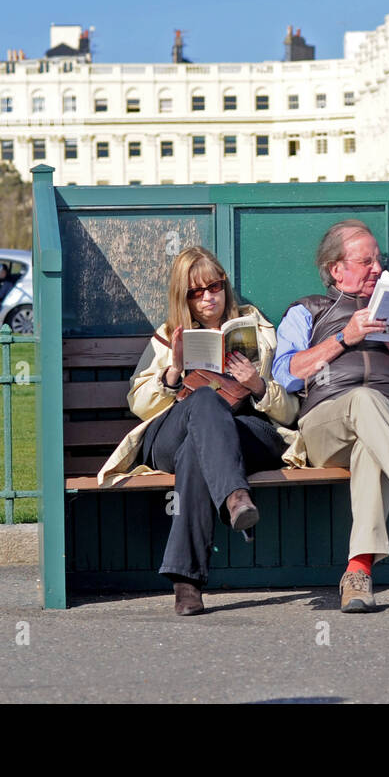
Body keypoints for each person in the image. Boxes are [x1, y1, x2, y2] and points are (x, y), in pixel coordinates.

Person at [100, 246, 298, 615]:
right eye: (197, 291)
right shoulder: (167, 336)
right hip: (170, 436)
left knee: (198, 449)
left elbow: (289, 413)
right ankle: (236, 498)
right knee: (205, 403)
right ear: (183, 297)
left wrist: (257, 385)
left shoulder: (257, 329)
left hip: (246, 431)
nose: (209, 297)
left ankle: (186, 583)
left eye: (215, 286)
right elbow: (138, 403)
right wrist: (173, 372)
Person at [273, 219, 389, 613]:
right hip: (328, 423)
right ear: (336, 269)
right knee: (362, 398)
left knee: (370, 446)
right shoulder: (307, 311)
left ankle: (358, 574)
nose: (378, 269)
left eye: (379, 261)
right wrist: (343, 339)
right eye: (366, 261)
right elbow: (285, 374)